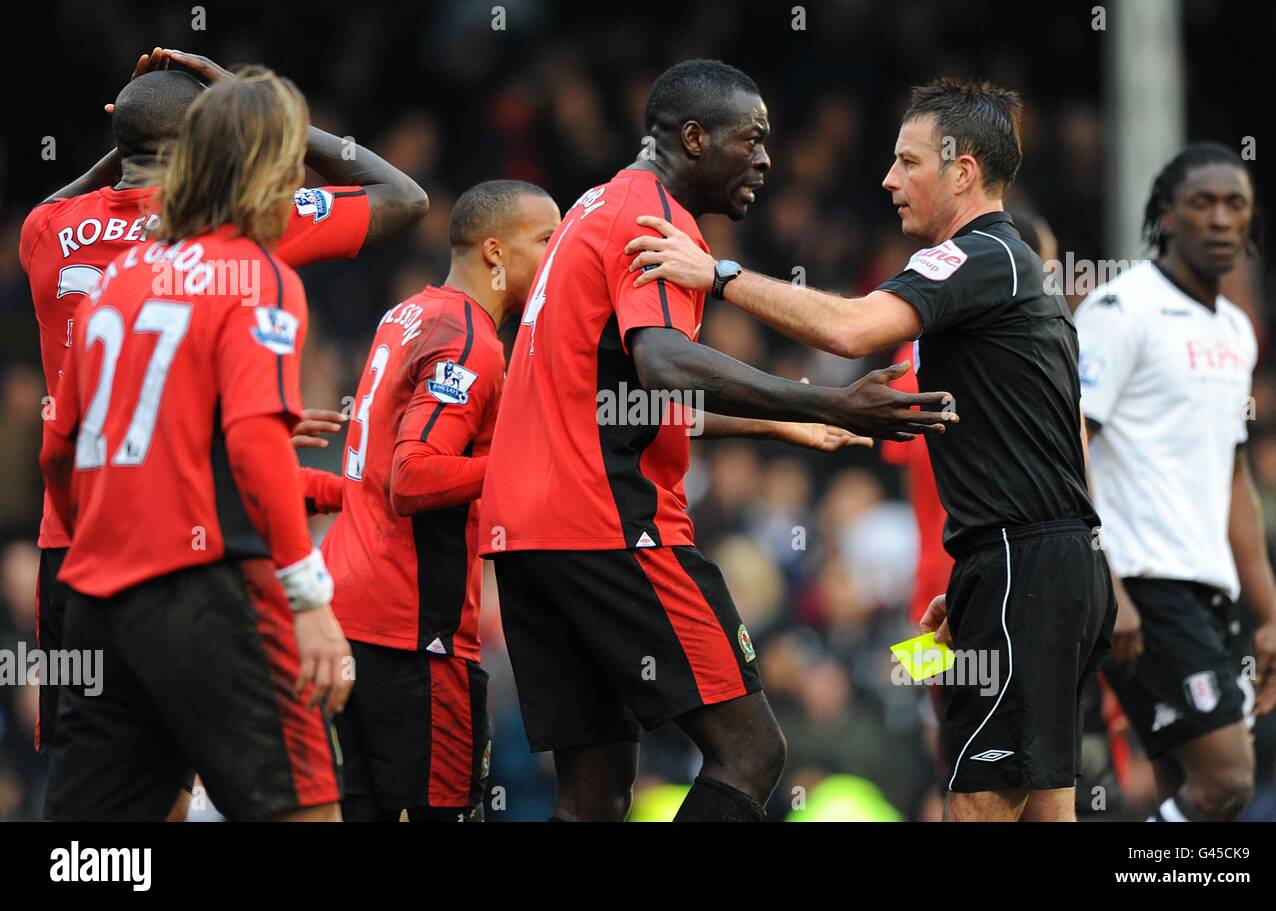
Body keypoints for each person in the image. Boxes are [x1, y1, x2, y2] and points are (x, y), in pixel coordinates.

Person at [479, 59, 955, 823]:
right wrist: (838, 398)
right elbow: (664, 364)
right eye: (753, 139)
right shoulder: (651, 215)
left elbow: (614, 395)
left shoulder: (592, 207)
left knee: (592, 795)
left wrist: (781, 416)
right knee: (751, 751)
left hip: (529, 534)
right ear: (693, 137)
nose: (766, 158)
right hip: (607, 521)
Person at [627, 77, 1112, 822]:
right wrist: (991, 567)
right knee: (1046, 806)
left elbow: (851, 330)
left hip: (1028, 567)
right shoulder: (1007, 276)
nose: (888, 179)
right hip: (1032, 564)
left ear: (963, 170)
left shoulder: (978, 255)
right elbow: (1048, 445)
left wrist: (718, 275)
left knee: (977, 806)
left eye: (908, 161)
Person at [18, 47, 427, 769]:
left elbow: (59, 202)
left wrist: (127, 135)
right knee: (264, 778)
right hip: (193, 546)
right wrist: (255, 111)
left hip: (73, 549)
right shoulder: (241, 234)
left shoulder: (45, 234)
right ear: (210, 139)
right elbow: (403, 197)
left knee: (101, 779)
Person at [297, 180, 562, 821]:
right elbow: (413, 478)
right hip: (414, 635)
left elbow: (376, 476)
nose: (557, 258)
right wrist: (521, 462)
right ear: (495, 252)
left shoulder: (409, 313)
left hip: (347, 616)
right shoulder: (472, 340)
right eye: (546, 241)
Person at [1076, 142, 1276, 821]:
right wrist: (1106, 578)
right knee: (1227, 782)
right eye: (1203, 203)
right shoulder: (1120, 309)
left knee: (1188, 792)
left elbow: (1234, 480)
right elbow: (1066, 444)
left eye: (1236, 205)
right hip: (1142, 581)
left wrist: (1270, 613)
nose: (1222, 218)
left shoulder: (1236, 332)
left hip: (1209, 588)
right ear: (1166, 215)